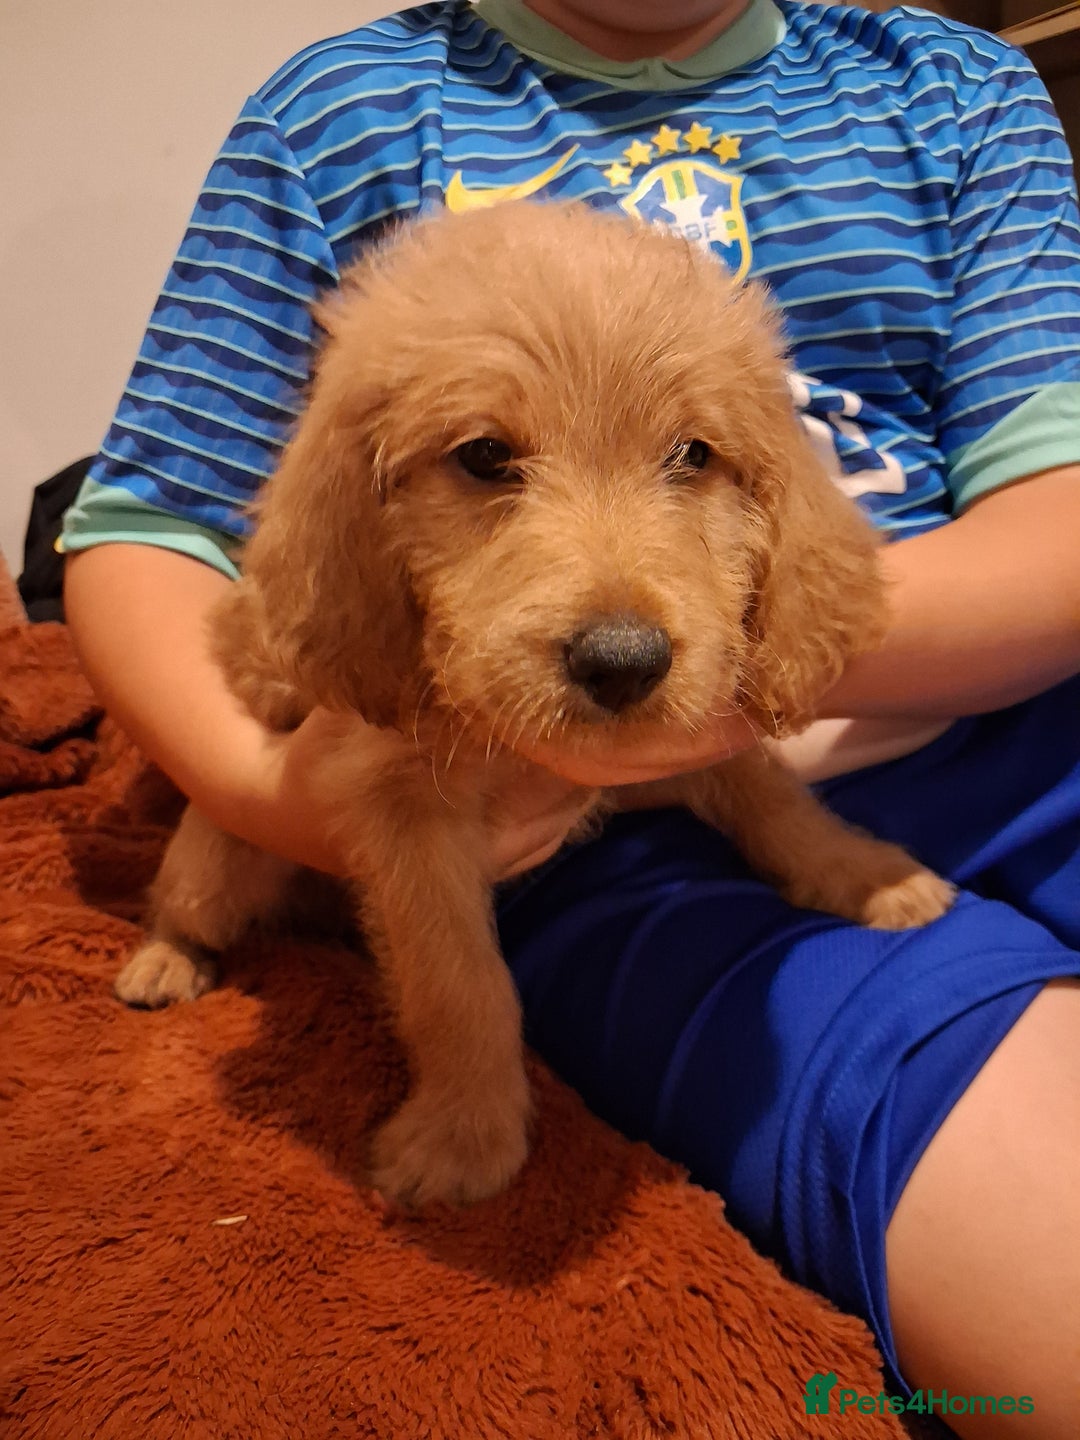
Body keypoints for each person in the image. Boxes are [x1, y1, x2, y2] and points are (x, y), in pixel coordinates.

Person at [61, 1, 1080, 1433]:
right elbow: (162, 542)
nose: (606, 572)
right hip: (577, 836)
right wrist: (256, 794)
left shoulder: (953, 87)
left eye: (690, 457)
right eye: (488, 460)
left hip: (994, 698)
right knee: (211, 879)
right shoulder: (340, 114)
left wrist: (769, 677)